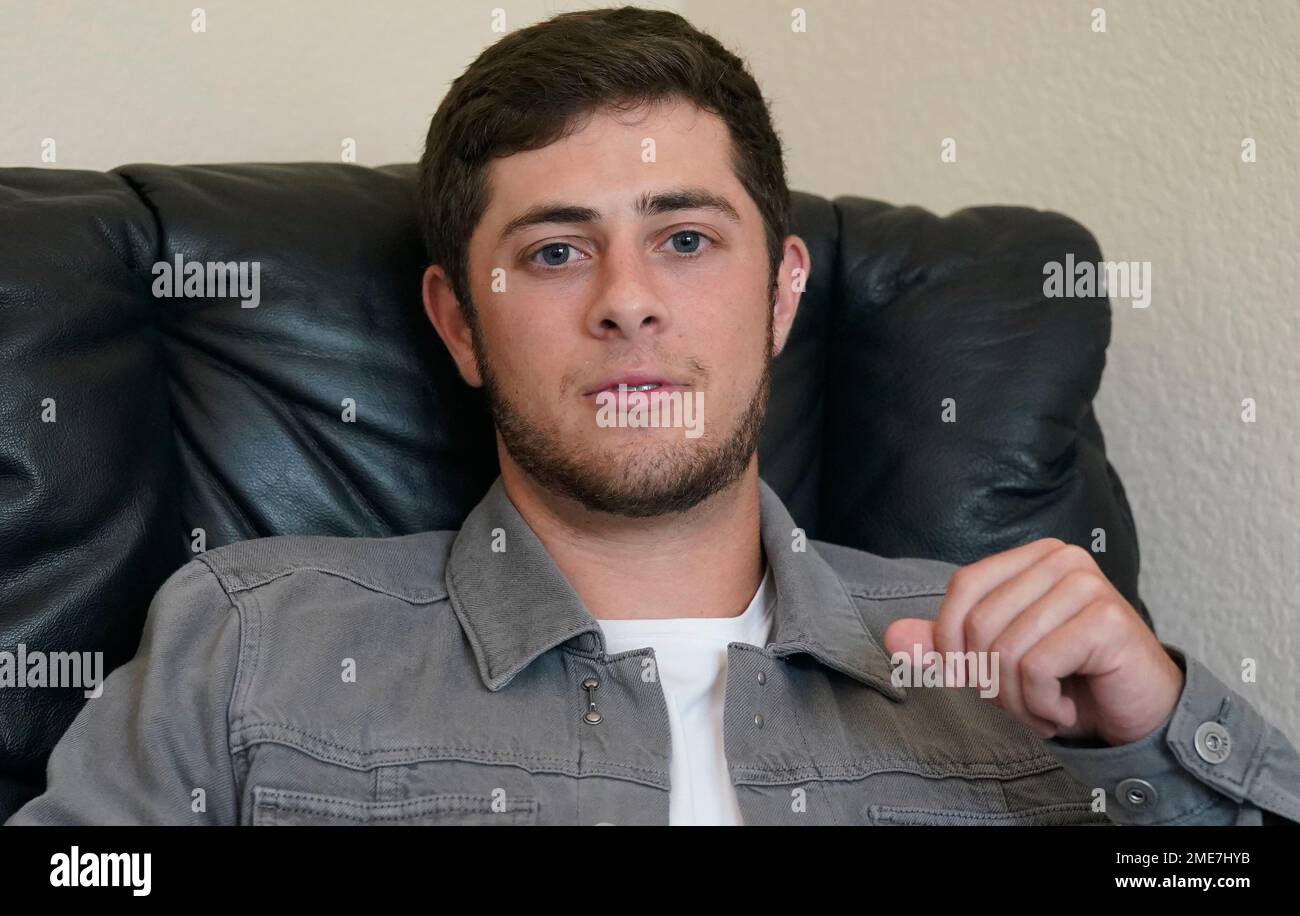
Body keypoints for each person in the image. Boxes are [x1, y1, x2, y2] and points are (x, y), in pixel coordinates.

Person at [8, 6, 1297, 826]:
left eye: (686, 237)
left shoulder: (1005, 666)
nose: (629, 304)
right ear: (459, 321)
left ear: (784, 292)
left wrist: (1163, 734)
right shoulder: (250, 643)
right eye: (557, 254)